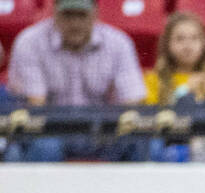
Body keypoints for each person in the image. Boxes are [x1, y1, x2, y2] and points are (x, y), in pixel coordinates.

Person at [4, 0, 147, 162]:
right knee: (45, 145)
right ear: (55, 13)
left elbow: (132, 102)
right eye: (68, 15)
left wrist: (112, 126)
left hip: (103, 132)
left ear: (95, 14)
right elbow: (36, 106)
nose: (75, 23)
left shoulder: (119, 43)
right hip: (49, 130)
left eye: (81, 15)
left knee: (138, 139)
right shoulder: (30, 41)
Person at [144, 11, 205, 163]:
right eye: (180, 39)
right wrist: (184, 92)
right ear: (167, 44)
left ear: (204, 43)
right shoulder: (153, 79)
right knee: (185, 101)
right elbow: (150, 122)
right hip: (170, 151)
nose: (188, 45)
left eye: (194, 38)